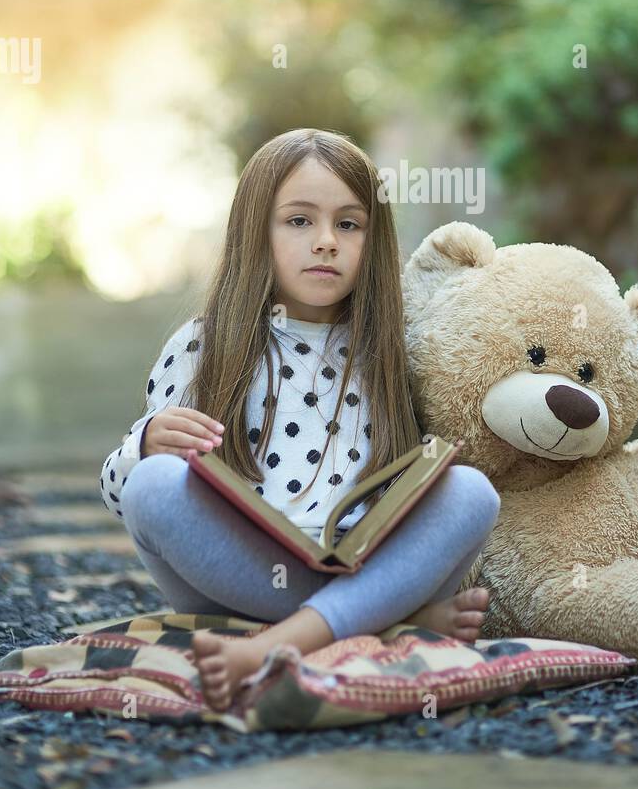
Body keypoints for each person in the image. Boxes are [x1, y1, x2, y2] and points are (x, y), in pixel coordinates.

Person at [99, 127, 500, 710]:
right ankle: (384, 621)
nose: (325, 242)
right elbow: (118, 492)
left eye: (348, 224)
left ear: (373, 237)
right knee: (152, 489)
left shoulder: (391, 353)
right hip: (243, 576)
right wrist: (145, 445)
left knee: (472, 492)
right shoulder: (202, 347)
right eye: (298, 221)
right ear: (255, 233)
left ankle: (289, 640)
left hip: (363, 563)